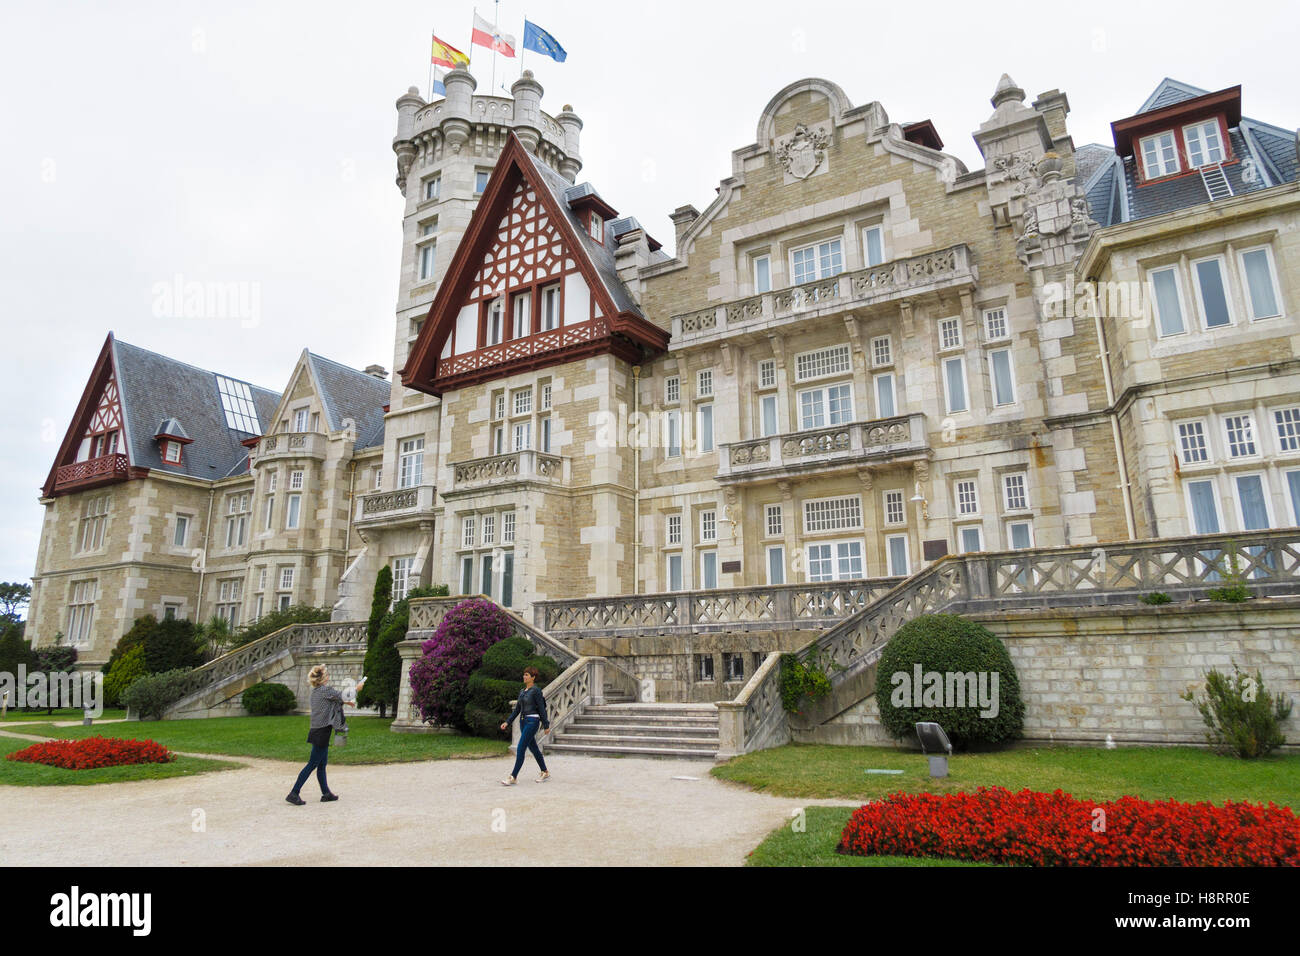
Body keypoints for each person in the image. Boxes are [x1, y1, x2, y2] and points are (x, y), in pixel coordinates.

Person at [286, 665, 354, 805]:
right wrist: (357, 688)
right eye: (327, 674)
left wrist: (345, 701)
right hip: (322, 732)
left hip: (318, 730)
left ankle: (326, 793)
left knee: (322, 765)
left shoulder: (316, 692)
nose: (328, 676)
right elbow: (342, 695)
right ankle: (294, 792)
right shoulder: (325, 690)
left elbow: (334, 700)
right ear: (323, 678)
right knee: (312, 764)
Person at [499, 665, 550, 785]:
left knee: (521, 748)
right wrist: (507, 722)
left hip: (532, 721)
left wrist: (546, 724)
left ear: (533, 677)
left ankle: (513, 777)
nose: (524, 676)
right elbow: (517, 710)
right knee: (533, 748)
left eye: (527, 675)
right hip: (523, 722)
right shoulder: (522, 692)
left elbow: (542, 708)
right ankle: (545, 771)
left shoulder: (536, 691)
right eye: (524, 674)